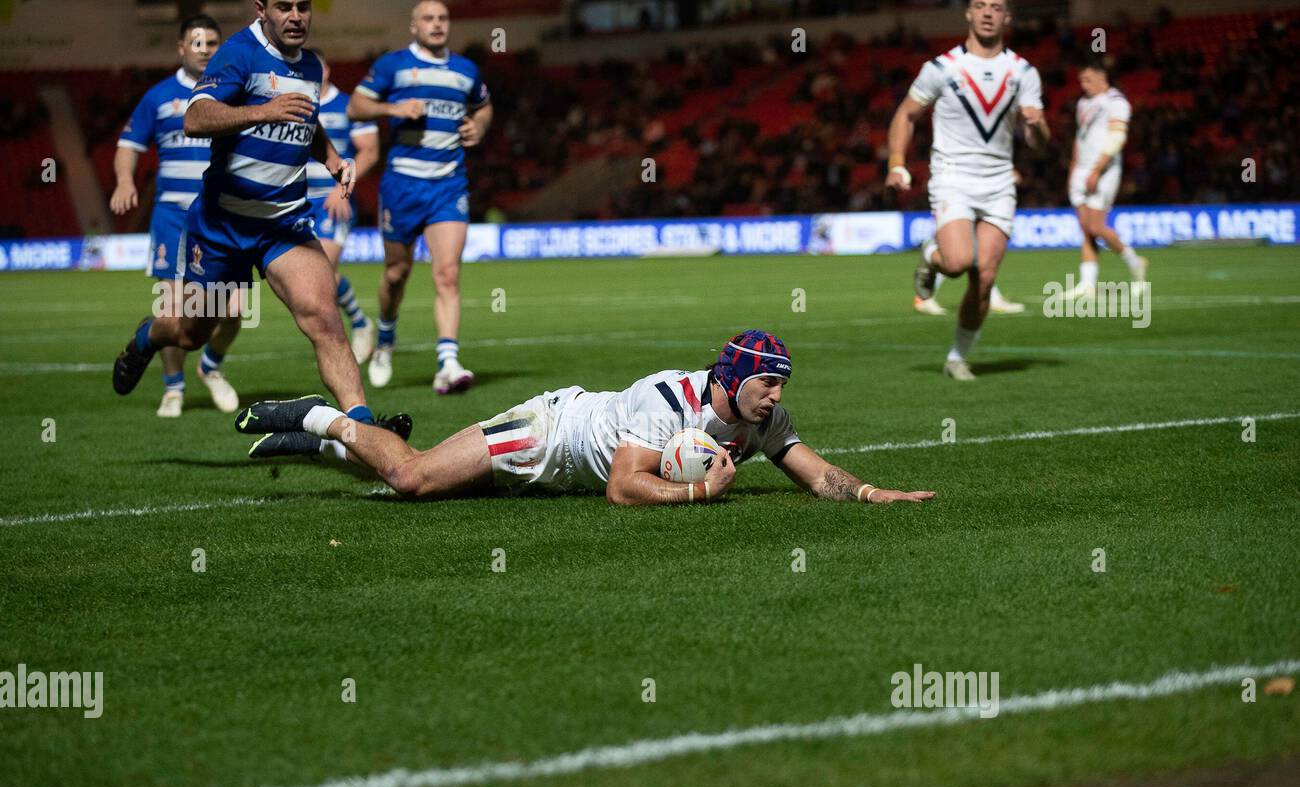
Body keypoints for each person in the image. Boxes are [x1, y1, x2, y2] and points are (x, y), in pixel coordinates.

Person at [111, 0, 408, 437]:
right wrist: (261, 111)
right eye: (283, 7)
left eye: (303, 7)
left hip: (283, 224)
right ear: (261, 10)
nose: (295, 16)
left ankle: (361, 431)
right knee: (192, 333)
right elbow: (194, 118)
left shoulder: (308, 66)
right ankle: (148, 337)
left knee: (325, 320)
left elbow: (306, 122)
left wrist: (330, 158)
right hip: (222, 228)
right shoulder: (239, 53)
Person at [235, 329, 936, 508]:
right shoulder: (668, 400)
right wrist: (699, 492)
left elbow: (816, 476)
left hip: (554, 478)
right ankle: (324, 416)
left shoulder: (763, 423)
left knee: (411, 487)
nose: (776, 397)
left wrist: (876, 493)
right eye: (766, 384)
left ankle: (312, 445)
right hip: (545, 435)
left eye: (781, 386)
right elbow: (623, 488)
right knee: (413, 479)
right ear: (731, 378)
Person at [885, 0, 1049, 381]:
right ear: (968, 14)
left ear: (1008, 16)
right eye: (980, 5)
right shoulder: (941, 68)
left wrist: (1038, 125)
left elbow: (1039, 142)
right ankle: (933, 257)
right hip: (953, 176)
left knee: (985, 276)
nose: (988, 12)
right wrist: (896, 161)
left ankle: (957, 357)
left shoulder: (1023, 72)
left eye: (996, 6)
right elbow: (906, 115)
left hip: (998, 183)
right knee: (958, 263)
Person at [347, 0, 493, 394]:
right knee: (397, 274)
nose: (437, 24)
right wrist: (392, 106)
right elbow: (355, 107)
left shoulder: (465, 70)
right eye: (428, 18)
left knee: (447, 274)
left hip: (448, 185)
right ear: (413, 26)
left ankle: (447, 361)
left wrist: (478, 125)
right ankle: (386, 337)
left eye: (443, 18)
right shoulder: (393, 65)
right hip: (402, 186)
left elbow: (484, 106)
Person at [111, 14, 241, 418]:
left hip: (221, 215)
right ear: (181, 48)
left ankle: (211, 367)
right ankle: (173, 387)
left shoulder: (232, 93)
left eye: (212, 43)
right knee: (173, 308)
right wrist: (124, 180)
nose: (205, 50)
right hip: (173, 217)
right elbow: (129, 143)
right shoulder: (159, 96)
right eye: (197, 42)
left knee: (234, 309)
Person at [304, 50, 380, 360]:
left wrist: (341, 185)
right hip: (297, 203)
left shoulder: (348, 105)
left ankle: (357, 327)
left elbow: (370, 152)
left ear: (328, 69)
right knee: (310, 279)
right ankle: (359, 321)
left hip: (334, 202)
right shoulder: (294, 104)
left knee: (323, 270)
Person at [1069, 61, 1147, 297]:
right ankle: (1087, 284)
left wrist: (1095, 170)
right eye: (1081, 80)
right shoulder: (1083, 103)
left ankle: (1134, 261)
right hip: (1081, 169)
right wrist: (1074, 168)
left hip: (1103, 171)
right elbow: (1080, 137)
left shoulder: (1116, 102)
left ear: (1103, 79)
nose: (1083, 85)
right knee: (1086, 229)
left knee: (1096, 226)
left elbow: (1117, 139)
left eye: (1088, 80)